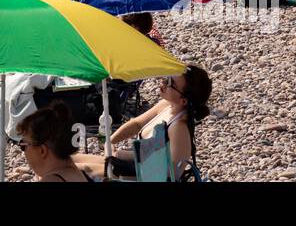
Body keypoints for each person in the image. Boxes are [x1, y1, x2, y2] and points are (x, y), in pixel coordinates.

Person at [72, 65, 212, 181]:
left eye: (171, 83)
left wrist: (119, 154)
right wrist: (111, 142)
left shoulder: (179, 128)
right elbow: (136, 124)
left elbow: (169, 173)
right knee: (68, 159)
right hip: (130, 165)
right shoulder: (166, 105)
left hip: (138, 176)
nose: (163, 82)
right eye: (168, 77)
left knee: (76, 169)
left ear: (183, 100)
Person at [18, 104, 92, 183]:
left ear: (42, 150)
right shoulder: (79, 173)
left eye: (23, 145)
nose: (24, 152)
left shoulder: (52, 180)